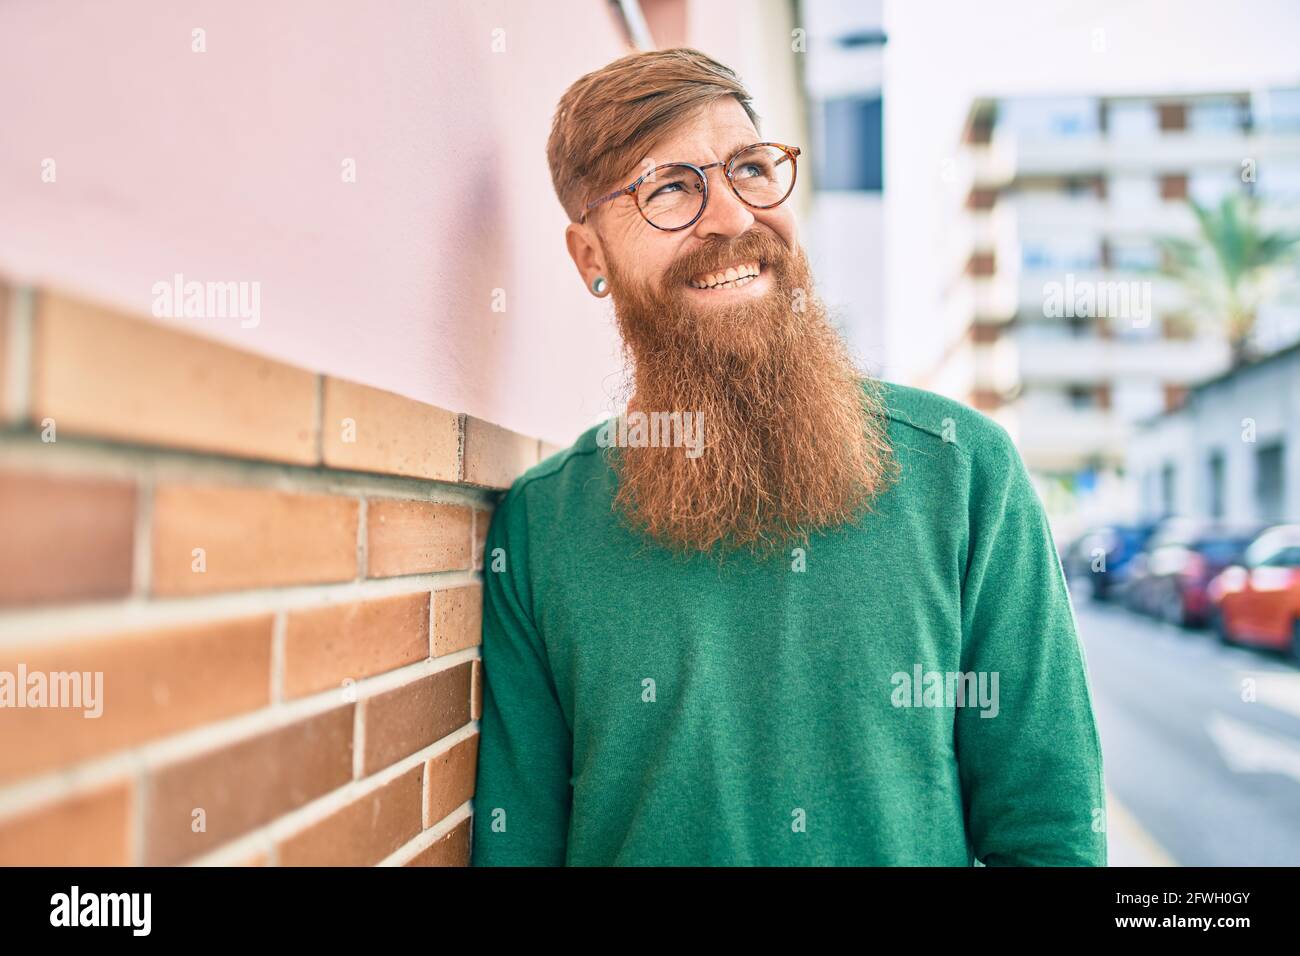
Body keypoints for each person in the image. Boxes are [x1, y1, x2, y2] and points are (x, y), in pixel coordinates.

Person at [470, 47, 1106, 866]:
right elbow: (516, 846)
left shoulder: (965, 470)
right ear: (591, 257)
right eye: (668, 188)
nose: (732, 218)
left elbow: (1051, 832)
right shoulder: (540, 525)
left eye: (751, 168)